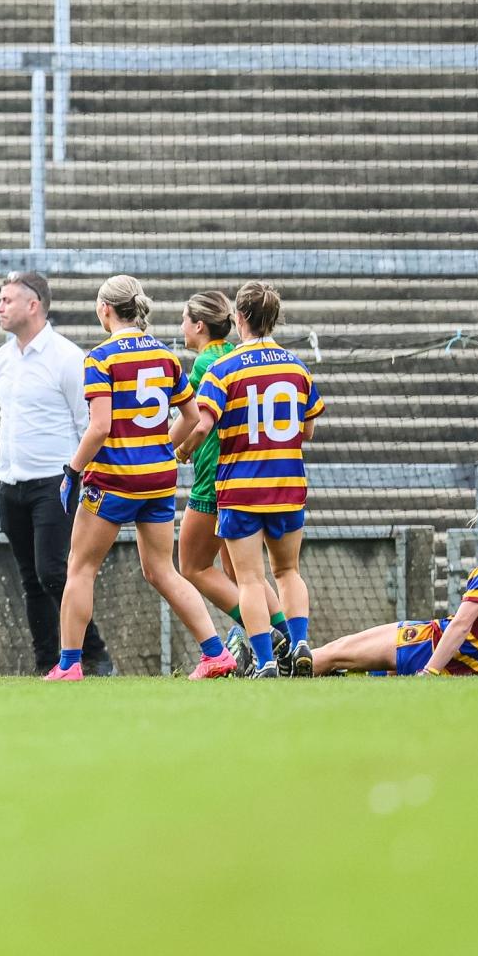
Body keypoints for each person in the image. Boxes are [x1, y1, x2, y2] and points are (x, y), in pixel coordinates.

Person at [46, 275, 237, 681]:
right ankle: (215, 653)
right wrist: (163, 449)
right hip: (158, 481)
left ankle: (68, 665)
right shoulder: (166, 357)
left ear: (105, 310)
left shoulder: (101, 358)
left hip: (114, 480)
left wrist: (72, 470)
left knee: (80, 568)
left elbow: (99, 427)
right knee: (161, 570)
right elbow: (190, 417)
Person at [185, 281, 323, 678]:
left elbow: (203, 423)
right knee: (287, 571)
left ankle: (265, 660)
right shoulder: (296, 366)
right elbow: (308, 430)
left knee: (248, 578)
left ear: (239, 318)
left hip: (240, 486)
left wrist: (183, 450)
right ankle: (299, 642)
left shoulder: (222, 369)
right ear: (274, 319)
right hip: (286, 483)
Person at [0, 271, 113, 676]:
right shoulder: (2, 360)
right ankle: (48, 662)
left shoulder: (67, 357)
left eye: (7, 300)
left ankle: (92, 655)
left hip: (54, 484)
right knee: (31, 580)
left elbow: (88, 424)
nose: (0, 307)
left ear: (33, 305)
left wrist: (82, 477)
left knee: (54, 572)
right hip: (11, 484)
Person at [313, 496, 478, 676]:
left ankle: (278, 670)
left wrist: (430, 672)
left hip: (429, 647)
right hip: (472, 665)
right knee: (349, 658)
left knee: (336, 653)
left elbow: (461, 625)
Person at [173, 290, 291, 674]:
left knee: (191, 566)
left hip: (214, 479)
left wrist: (161, 450)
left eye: (184, 319)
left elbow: (193, 420)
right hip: (253, 475)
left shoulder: (207, 362)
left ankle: (262, 634)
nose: (181, 327)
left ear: (199, 325)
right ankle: (289, 641)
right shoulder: (238, 355)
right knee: (244, 575)